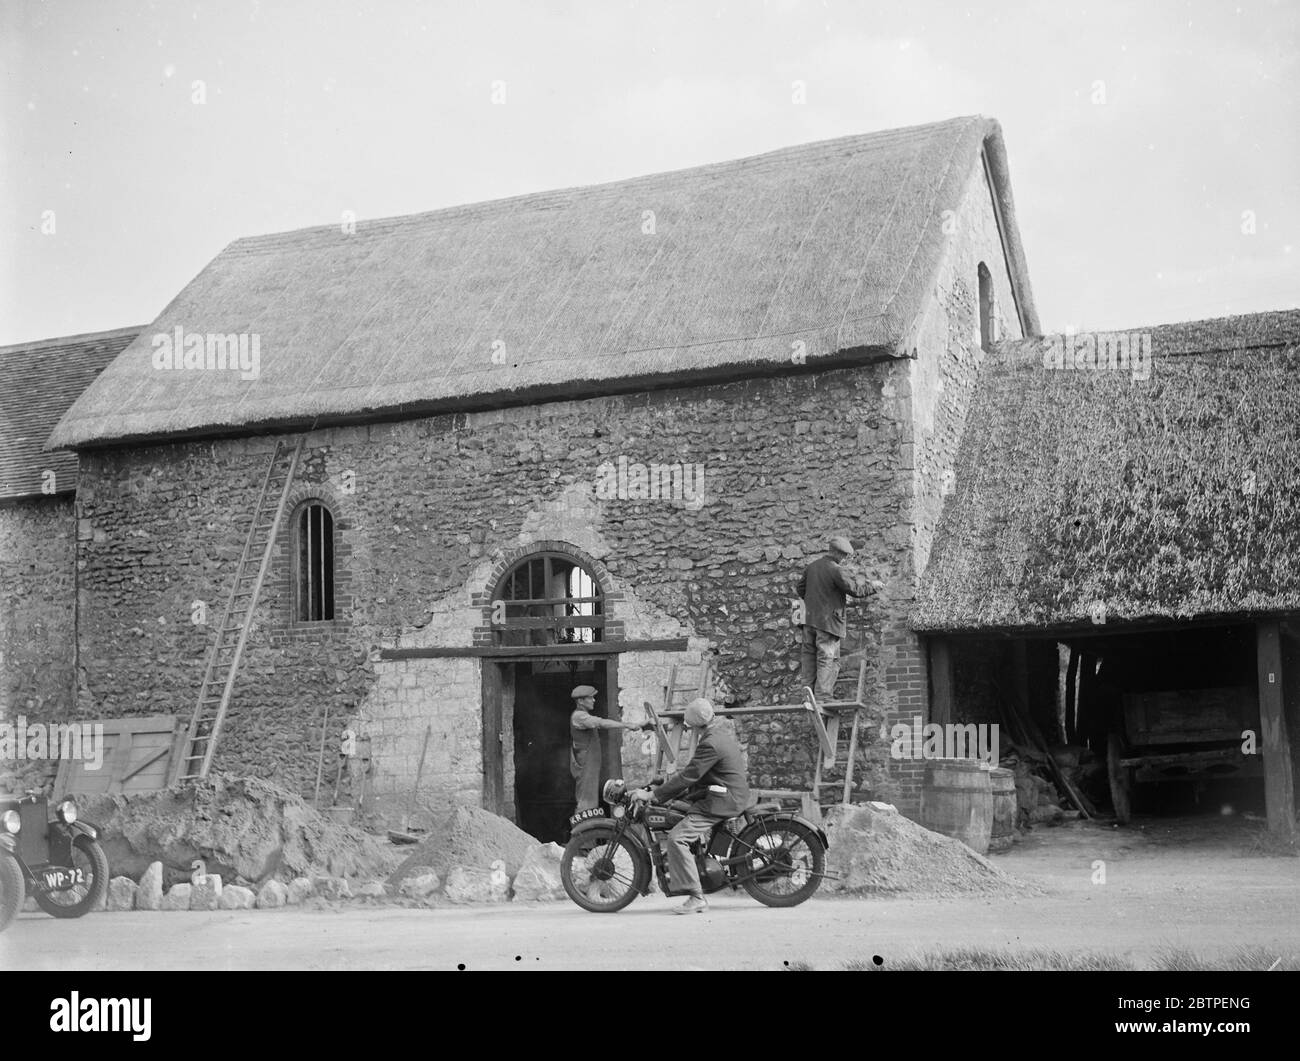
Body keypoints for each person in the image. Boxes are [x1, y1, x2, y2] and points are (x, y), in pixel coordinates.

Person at [630, 697, 750, 915]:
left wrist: (653, 795)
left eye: (688, 726)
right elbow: (695, 771)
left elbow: (690, 776)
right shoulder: (718, 735)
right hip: (724, 793)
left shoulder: (710, 743)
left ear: (695, 724)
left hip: (724, 798)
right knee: (681, 811)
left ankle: (696, 896)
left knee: (677, 838)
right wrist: (665, 783)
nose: (687, 730)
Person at [796, 536, 882, 701]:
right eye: (843, 556)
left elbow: (800, 588)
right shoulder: (836, 569)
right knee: (827, 659)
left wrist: (813, 602)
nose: (844, 559)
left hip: (808, 622)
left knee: (808, 658)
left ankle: (807, 696)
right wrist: (873, 586)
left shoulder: (811, 567)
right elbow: (854, 589)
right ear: (838, 554)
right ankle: (823, 696)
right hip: (828, 623)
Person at [570, 686, 643, 811]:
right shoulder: (579, 716)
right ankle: (585, 827)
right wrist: (627, 725)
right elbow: (601, 723)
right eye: (590, 698)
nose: (594, 700)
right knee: (586, 797)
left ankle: (589, 822)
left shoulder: (582, 715)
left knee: (590, 794)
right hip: (586, 762)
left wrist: (639, 724)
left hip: (589, 762)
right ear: (580, 701)